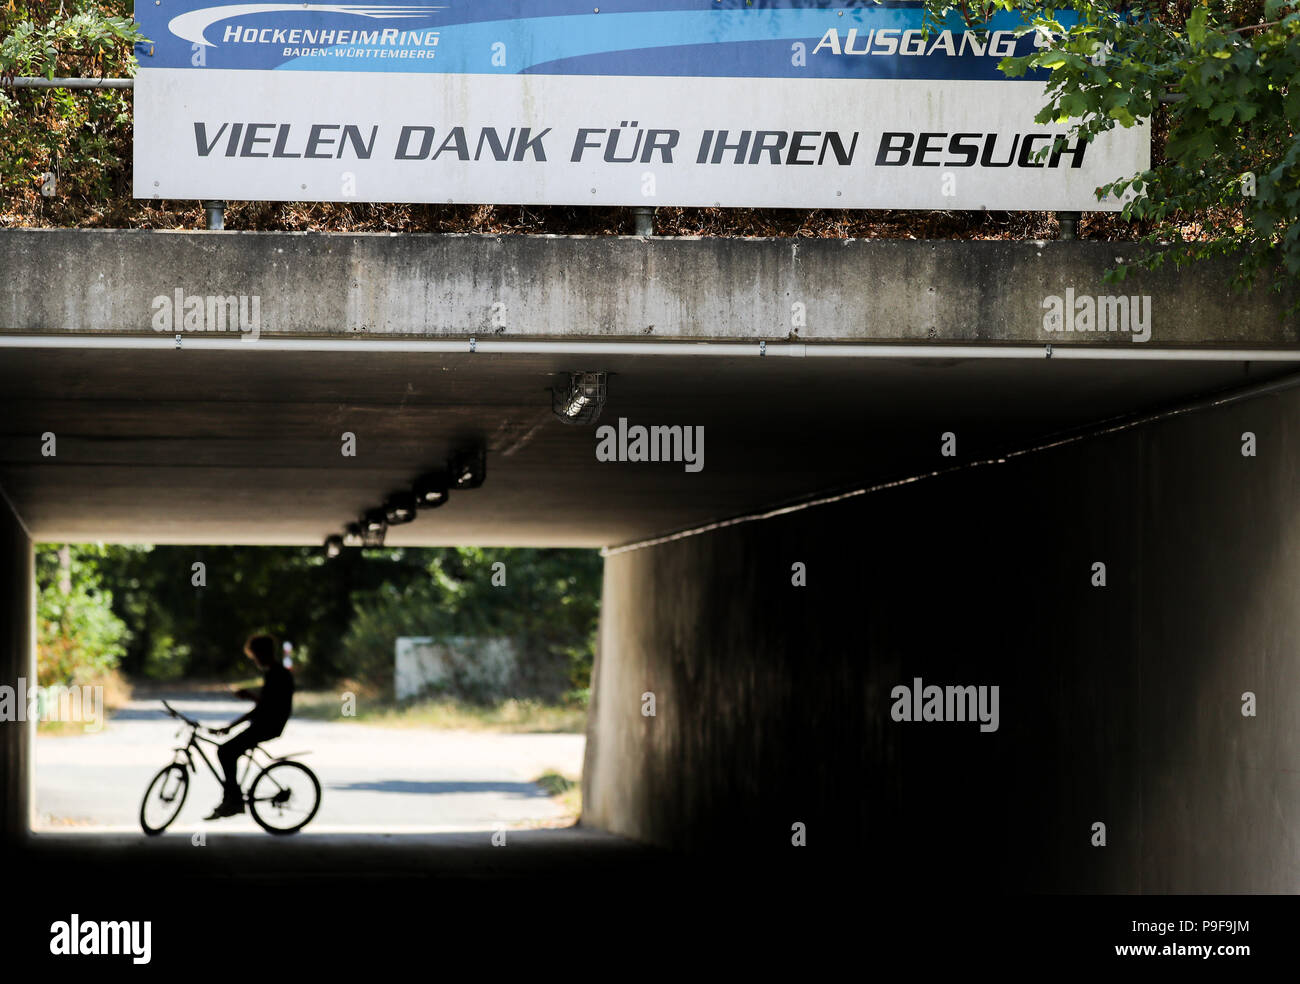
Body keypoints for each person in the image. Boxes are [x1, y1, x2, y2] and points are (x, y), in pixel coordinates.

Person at [205, 633, 295, 820]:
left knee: (225, 752)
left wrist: (233, 724)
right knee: (228, 751)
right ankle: (232, 798)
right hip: (265, 723)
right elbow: (263, 705)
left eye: (254, 656)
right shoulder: (276, 673)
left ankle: (233, 799)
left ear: (261, 654)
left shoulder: (278, 674)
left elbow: (265, 706)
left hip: (269, 725)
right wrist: (232, 725)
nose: (254, 660)